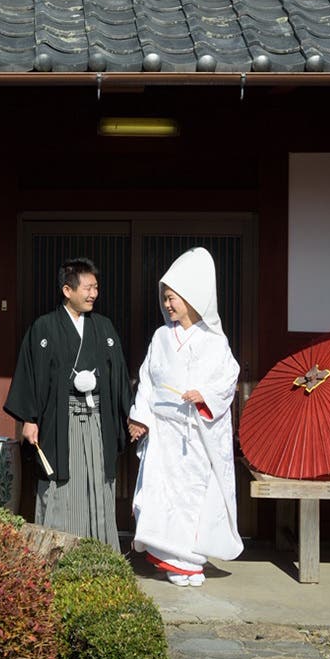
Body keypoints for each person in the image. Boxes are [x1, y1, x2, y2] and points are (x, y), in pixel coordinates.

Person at [127, 247, 243, 586]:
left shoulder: (214, 342)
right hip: (164, 432)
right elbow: (147, 379)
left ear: (193, 298)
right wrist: (140, 417)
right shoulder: (161, 337)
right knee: (163, 493)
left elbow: (227, 378)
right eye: (164, 298)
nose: (167, 304)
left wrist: (203, 394)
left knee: (194, 496)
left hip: (194, 434)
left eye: (173, 297)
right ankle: (170, 559)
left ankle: (191, 560)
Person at [3, 257, 132, 550]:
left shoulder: (104, 327)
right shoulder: (44, 328)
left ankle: (101, 554)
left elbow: (119, 375)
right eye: (87, 288)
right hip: (62, 421)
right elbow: (31, 374)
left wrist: (131, 416)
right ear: (67, 290)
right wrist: (30, 418)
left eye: (95, 288)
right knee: (62, 484)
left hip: (98, 420)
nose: (93, 294)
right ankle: (59, 553)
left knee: (99, 482)